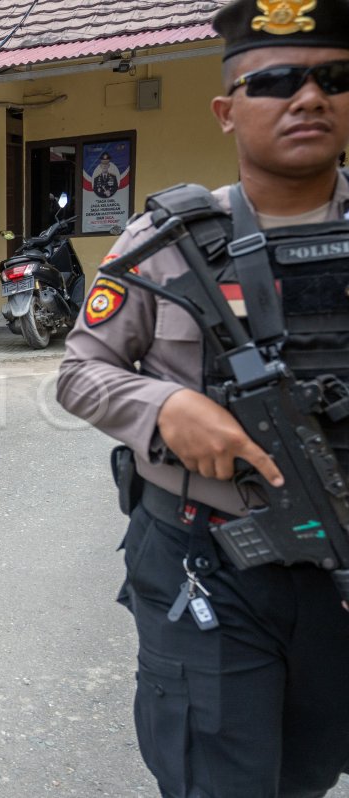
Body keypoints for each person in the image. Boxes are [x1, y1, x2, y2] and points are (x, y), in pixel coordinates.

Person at [57, 1, 349, 795]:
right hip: (210, 559)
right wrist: (162, 410)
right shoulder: (162, 244)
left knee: (309, 769)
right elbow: (80, 371)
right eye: (278, 81)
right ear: (227, 110)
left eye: (333, 78)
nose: (309, 98)